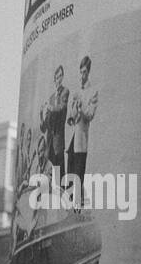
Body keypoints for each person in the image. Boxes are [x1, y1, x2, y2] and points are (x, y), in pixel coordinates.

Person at [66, 55, 98, 185]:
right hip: (73, 134)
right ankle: (70, 198)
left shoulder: (93, 92)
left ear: (88, 72)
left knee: (79, 171)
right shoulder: (77, 90)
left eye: (84, 72)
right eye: (81, 72)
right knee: (70, 168)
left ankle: (77, 201)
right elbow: (71, 115)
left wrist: (81, 106)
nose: (82, 75)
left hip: (82, 136)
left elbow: (90, 115)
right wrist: (74, 108)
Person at [39, 64, 70, 178]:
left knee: (60, 173)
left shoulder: (65, 92)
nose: (59, 79)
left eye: (61, 76)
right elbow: (44, 128)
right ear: (54, 79)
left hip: (58, 141)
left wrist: (50, 108)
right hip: (50, 142)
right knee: (51, 175)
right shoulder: (51, 98)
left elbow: (62, 107)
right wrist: (41, 115)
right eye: (57, 77)